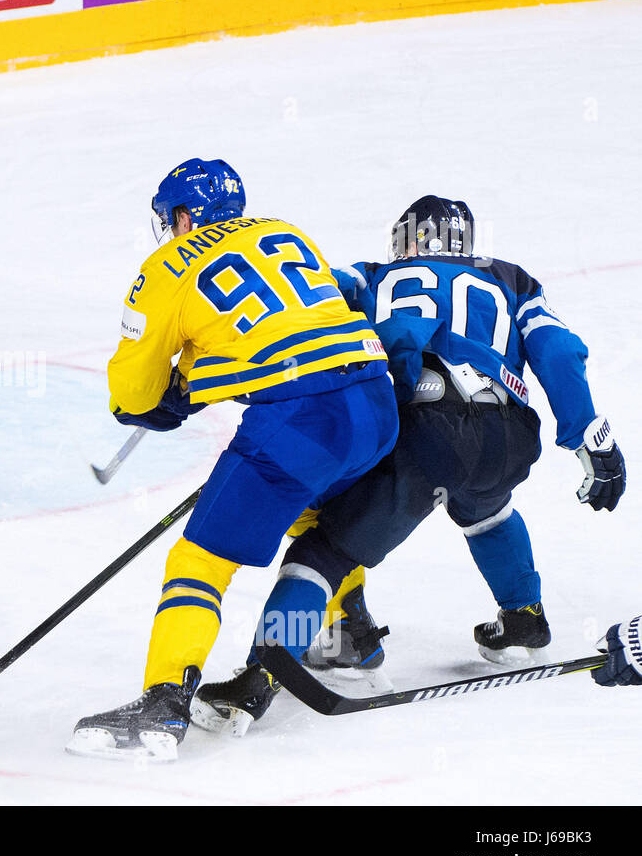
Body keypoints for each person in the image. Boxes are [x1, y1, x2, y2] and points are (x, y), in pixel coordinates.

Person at [195, 194, 626, 732]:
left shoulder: (368, 276)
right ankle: (524, 620)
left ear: (402, 241)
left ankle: (260, 676)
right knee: (487, 510)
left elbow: (300, 306)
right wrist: (593, 440)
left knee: (324, 549)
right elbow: (559, 353)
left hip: (425, 427)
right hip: (508, 439)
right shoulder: (513, 281)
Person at [66, 158, 399, 762]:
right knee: (316, 534)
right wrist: (202, 372)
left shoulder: (166, 266)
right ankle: (347, 630)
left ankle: (163, 702)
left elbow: (134, 394)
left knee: (200, 560)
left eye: (171, 218)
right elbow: (295, 323)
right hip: (377, 406)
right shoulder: (285, 232)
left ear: (185, 215)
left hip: (301, 419)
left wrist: (163, 398)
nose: (169, 228)